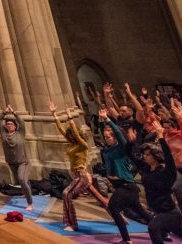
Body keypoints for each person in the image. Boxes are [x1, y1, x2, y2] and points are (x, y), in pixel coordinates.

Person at [136, 127, 182, 244]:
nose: (144, 157)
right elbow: (131, 154)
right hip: (159, 212)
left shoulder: (167, 173)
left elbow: (169, 158)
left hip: (170, 214)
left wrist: (162, 139)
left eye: (147, 154)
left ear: (155, 156)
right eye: (144, 155)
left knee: (153, 227)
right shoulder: (147, 169)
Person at [97, 108, 151, 244]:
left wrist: (108, 119)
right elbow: (104, 132)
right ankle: (164, 230)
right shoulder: (108, 149)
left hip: (126, 186)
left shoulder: (121, 148)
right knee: (142, 213)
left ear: (115, 138)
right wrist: (102, 121)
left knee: (113, 208)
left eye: (109, 137)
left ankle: (127, 239)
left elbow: (119, 135)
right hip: (122, 186)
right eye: (105, 137)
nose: (106, 139)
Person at [50, 100, 106, 231]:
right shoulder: (71, 144)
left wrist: (70, 118)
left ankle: (73, 224)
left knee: (66, 194)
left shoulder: (83, 145)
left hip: (82, 176)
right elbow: (62, 130)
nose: (69, 136)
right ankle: (116, 215)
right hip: (76, 175)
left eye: (71, 135)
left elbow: (75, 133)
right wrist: (54, 115)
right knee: (99, 197)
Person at [0, 104, 33, 210]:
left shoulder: (20, 133)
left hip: (23, 161)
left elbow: (21, 122)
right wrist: (4, 112)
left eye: (11, 124)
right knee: (20, 181)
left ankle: (30, 203)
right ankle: (26, 191)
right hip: (11, 162)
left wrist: (14, 113)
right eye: (7, 124)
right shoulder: (3, 134)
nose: (9, 125)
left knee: (22, 179)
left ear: (15, 126)